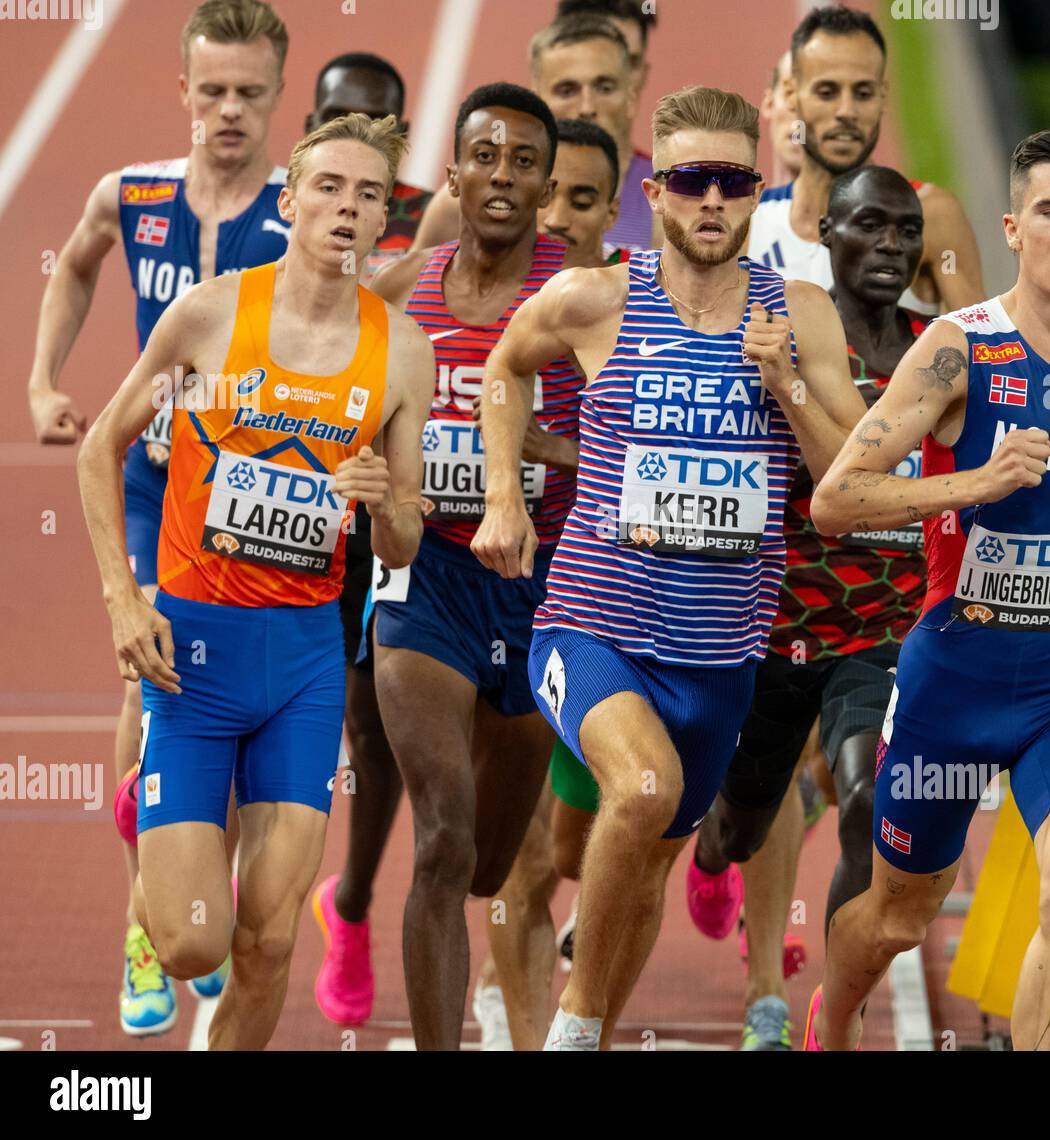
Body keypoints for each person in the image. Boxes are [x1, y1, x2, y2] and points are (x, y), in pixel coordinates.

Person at [473, 85, 865, 1050]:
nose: (711, 201)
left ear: (756, 187)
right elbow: (503, 369)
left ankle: (593, 1027)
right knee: (640, 794)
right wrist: (505, 498)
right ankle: (572, 1027)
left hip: (721, 656)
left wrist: (785, 385)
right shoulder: (595, 299)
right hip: (591, 629)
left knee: (647, 863)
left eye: (732, 182)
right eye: (690, 180)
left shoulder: (801, 316)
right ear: (656, 189)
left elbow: (846, 479)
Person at [803, 123, 1050, 1051]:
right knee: (899, 920)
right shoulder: (959, 353)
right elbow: (837, 498)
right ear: (1014, 229)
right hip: (956, 682)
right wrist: (977, 482)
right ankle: (835, 1016)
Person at [76, 112, 436, 1050]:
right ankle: (152, 815)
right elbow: (100, 446)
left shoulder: (401, 349)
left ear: (384, 216)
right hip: (193, 655)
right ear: (290, 202)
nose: (348, 208)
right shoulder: (210, 313)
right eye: (329, 187)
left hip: (307, 666)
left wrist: (380, 504)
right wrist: (123, 598)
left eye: (369, 195)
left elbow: (403, 542)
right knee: (194, 943)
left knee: (269, 943)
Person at [24, 0, 292, 1036]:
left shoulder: (297, 211)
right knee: (148, 689)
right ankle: (147, 921)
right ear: (182, 90)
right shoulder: (131, 195)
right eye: (212, 90)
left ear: (278, 96)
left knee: (240, 716)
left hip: (266, 501)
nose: (229, 110)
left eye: (249, 93)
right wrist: (42, 381)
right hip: (158, 484)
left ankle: (195, 898)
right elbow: (78, 260)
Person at [313, 83, 582, 1051]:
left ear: (548, 184)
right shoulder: (400, 290)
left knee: (490, 865)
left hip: (543, 590)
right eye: (484, 156)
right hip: (423, 582)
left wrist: (551, 451)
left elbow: (644, 440)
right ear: (455, 171)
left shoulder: (588, 296)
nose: (501, 176)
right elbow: (318, 399)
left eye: (522, 162)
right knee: (442, 841)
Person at [689, 165, 932, 1050]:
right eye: (872, 226)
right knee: (740, 825)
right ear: (826, 233)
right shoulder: (775, 334)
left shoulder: (940, 351)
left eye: (908, 231)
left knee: (870, 793)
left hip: (883, 633)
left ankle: (837, 1013)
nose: (893, 247)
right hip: (773, 629)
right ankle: (715, 854)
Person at [468, 117, 625, 1050]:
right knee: (523, 852)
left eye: (580, 197)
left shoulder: (633, 308)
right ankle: (517, 1013)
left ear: (613, 206)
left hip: (612, 598)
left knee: (581, 846)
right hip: (501, 591)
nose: (557, 212)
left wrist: (563, 453)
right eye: (547, 190)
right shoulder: (483, 297)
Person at [300, 50, 437, 1031]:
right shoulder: (294, 209)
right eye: (344, 117)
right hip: (263, 522)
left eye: (384, 123)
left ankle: (346, 906)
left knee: (374, 729)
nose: (364, 132)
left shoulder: (429, 213)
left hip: (372, 516)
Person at [747, 4, 984, 314]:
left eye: (863, 93)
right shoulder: (749, 222)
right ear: (791, 96)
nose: (846, 112)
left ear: (883, 96)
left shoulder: (933, 215)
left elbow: (982, 352)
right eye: (827, 92)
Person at [413, 13, 652, 254]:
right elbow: (414, 284)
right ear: (538, 98)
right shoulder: (464, 199)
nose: (586, 107)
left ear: (631, 96)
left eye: (604, 88)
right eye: (567, 90)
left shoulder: (663, 197)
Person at [305, 52, 433, 277]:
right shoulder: (267, 212)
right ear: (310, 126)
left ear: (402, 134)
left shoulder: (434, 219)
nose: (354, 135)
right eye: (337, 118)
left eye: (375, 122)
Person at [760, 51, 803, 187]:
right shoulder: (747, 208)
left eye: (824, 95)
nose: (802, 113)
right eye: (791, 93)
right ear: (769, 103)